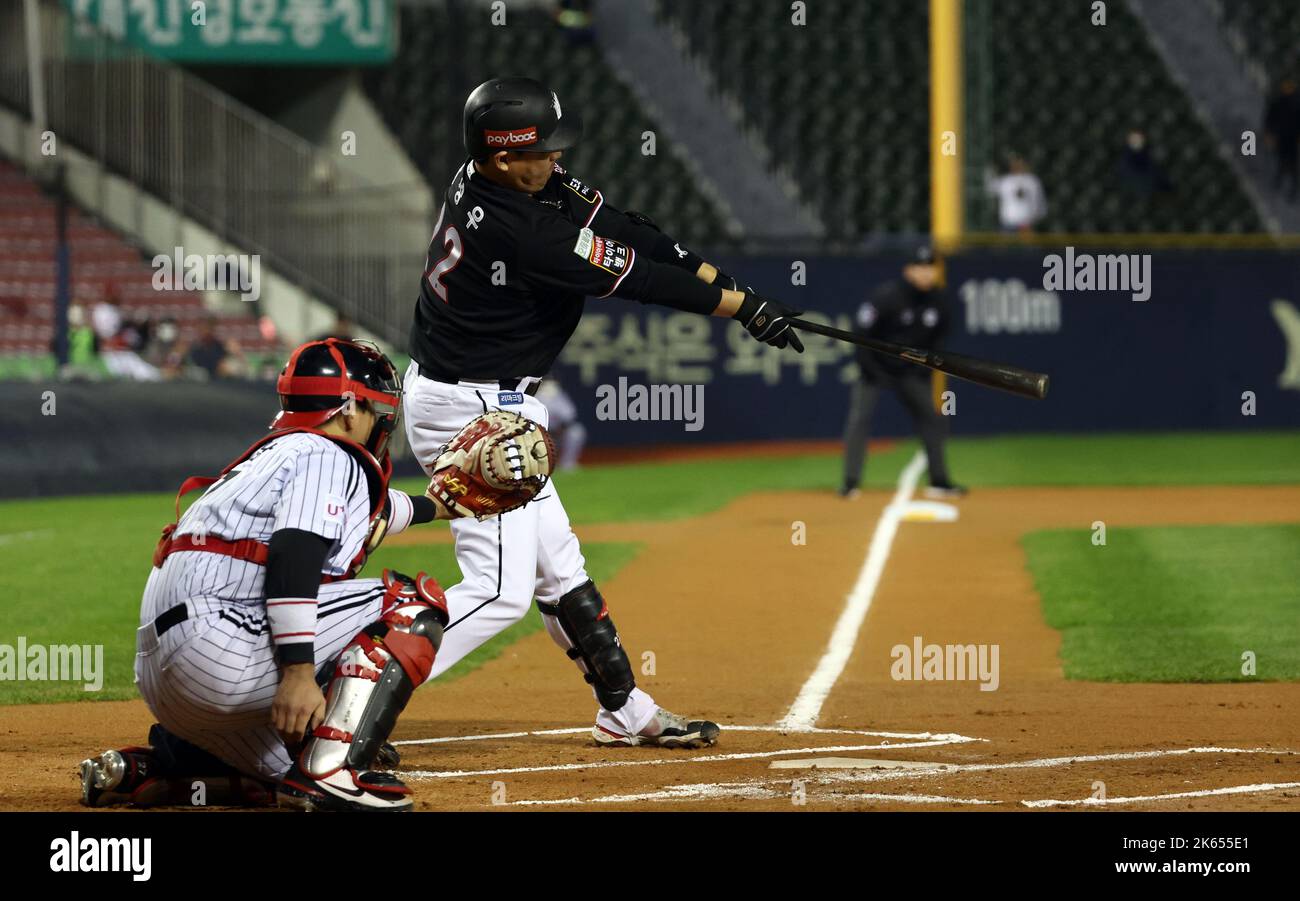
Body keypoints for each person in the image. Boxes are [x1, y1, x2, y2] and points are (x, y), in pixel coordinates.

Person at [403, 76, 804, 750]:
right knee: (499, 591)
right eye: (543, 150)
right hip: (469, 409)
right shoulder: (522, 232)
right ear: (502, 157)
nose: (557, 161)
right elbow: (639, 277)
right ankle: (348, 695)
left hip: (489, 399)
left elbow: (622, 227)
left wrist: (724, 282)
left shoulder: (501, 178)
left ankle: (625, 710)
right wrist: (743, 310)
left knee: (559, 567)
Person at [78, 339, 476, 811]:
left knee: (289, 775)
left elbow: (374, 513)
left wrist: (443, 504)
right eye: (376, 409)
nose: (381, 422)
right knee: (412, 604)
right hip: (219, 650)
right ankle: (332, 774)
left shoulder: (276, 457)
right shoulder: (330, 454)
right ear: (350, 409)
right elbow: (296, 552)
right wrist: (298, 673)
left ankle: (152, 770)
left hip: (168, 684)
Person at [840, 245, 964, 500]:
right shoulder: (887, 296)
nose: (926, 273)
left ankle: (939, 481)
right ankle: (850, 482)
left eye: (930, 267)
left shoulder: (939, 302)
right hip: (874, 368)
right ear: (908, 270)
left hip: (908, 371)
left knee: (932, 418)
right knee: (859, 419)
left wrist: (921, 372)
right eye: (920, 267)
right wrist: (871, 369)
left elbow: (937, 343)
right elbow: (860, 333)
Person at [985, 154, 1047, 233]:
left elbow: (1039, 201)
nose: (1018, 166)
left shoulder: (1032, 181)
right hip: (1008, 224)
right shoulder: (1006, 180)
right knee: (1006, 244)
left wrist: (1036, 219)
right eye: (1015, 163)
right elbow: (990, 189)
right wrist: (989, 172)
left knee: (1030, 244)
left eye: (1021, 163)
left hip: (1027, 224)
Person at [1263, 79, 1300, 201]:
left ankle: (1292, 188)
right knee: (1283, 160)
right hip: (1284, 136)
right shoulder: (1281, 102)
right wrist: (1269, 132)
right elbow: (1271, 116)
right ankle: (1281, 182)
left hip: (1291, 137)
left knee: (1291, 163)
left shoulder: (1293, 102)